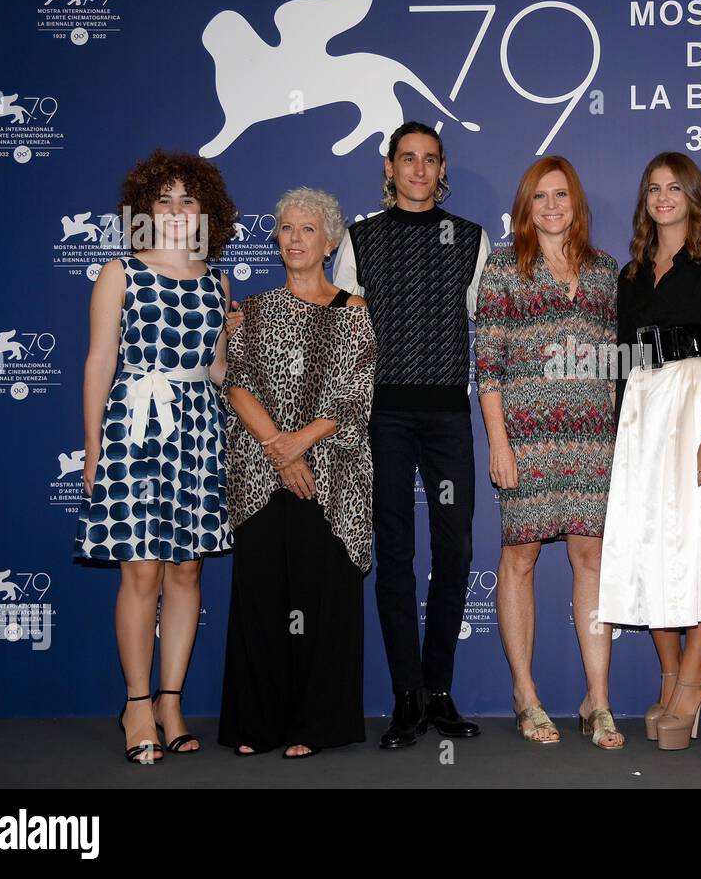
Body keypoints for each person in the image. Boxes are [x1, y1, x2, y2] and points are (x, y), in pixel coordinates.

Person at [332, 121, 490, 749]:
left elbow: (489, 330)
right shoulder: (360, 239)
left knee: (454, 555)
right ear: (390, 167)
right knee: (395, 557)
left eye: (430, 159)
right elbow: (343, 333)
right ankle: (406, 697)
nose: (419, 169)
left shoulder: (472, 240)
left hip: (450, 418)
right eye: (408, 158)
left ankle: (440, 691)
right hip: (384, 418)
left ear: (442, 167)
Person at [76, 149, 235, 763]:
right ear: (144, 209)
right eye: (163, 200)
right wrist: (93, 447)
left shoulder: (218, 281)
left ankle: (172, 701)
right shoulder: (120, 272)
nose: (174, 210)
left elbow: (216, 370)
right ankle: (136, 704)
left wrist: (236, 342)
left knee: (187, 571)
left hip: (197, 427)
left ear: (206, 212)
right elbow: (99, 362)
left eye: (187, 200)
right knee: (141, 570)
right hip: (133, 428)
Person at [218, 188, 376, 759]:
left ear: (329, 241)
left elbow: (352, 395)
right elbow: (238, 384)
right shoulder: (252, 311)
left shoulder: (353, 310)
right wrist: (278, 451)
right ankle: (256, 725)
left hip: (332, 476)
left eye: (307, 229)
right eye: (285, 228)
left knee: (320, 597)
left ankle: (316, 723)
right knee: (263, 597)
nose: (294, 238)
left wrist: (299, 447)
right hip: (262, 474)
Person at [597, 152, 701, 751]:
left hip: (694, 407)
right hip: (641, 412)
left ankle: (693, 678)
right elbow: (623, 357)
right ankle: (667, 676)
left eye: (674, 187)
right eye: (653, 187)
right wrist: (618, 431)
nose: (663, 197)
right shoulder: (630, 274)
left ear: (693, 196)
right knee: (649, 543)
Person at [475, 156, 624, 749]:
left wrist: (620, 439)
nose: (552, 206)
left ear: (576, 203)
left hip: (592, 442)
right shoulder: (504, 269)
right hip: (526, 442)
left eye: (561, 195)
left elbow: (618, 365)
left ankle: (599, 699)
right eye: (540, 197)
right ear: (525, 208)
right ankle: (526, 694)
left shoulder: (607, 272)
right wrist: (499, 444)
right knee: (521, 558)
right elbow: (486, 367)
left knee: (592, 559)